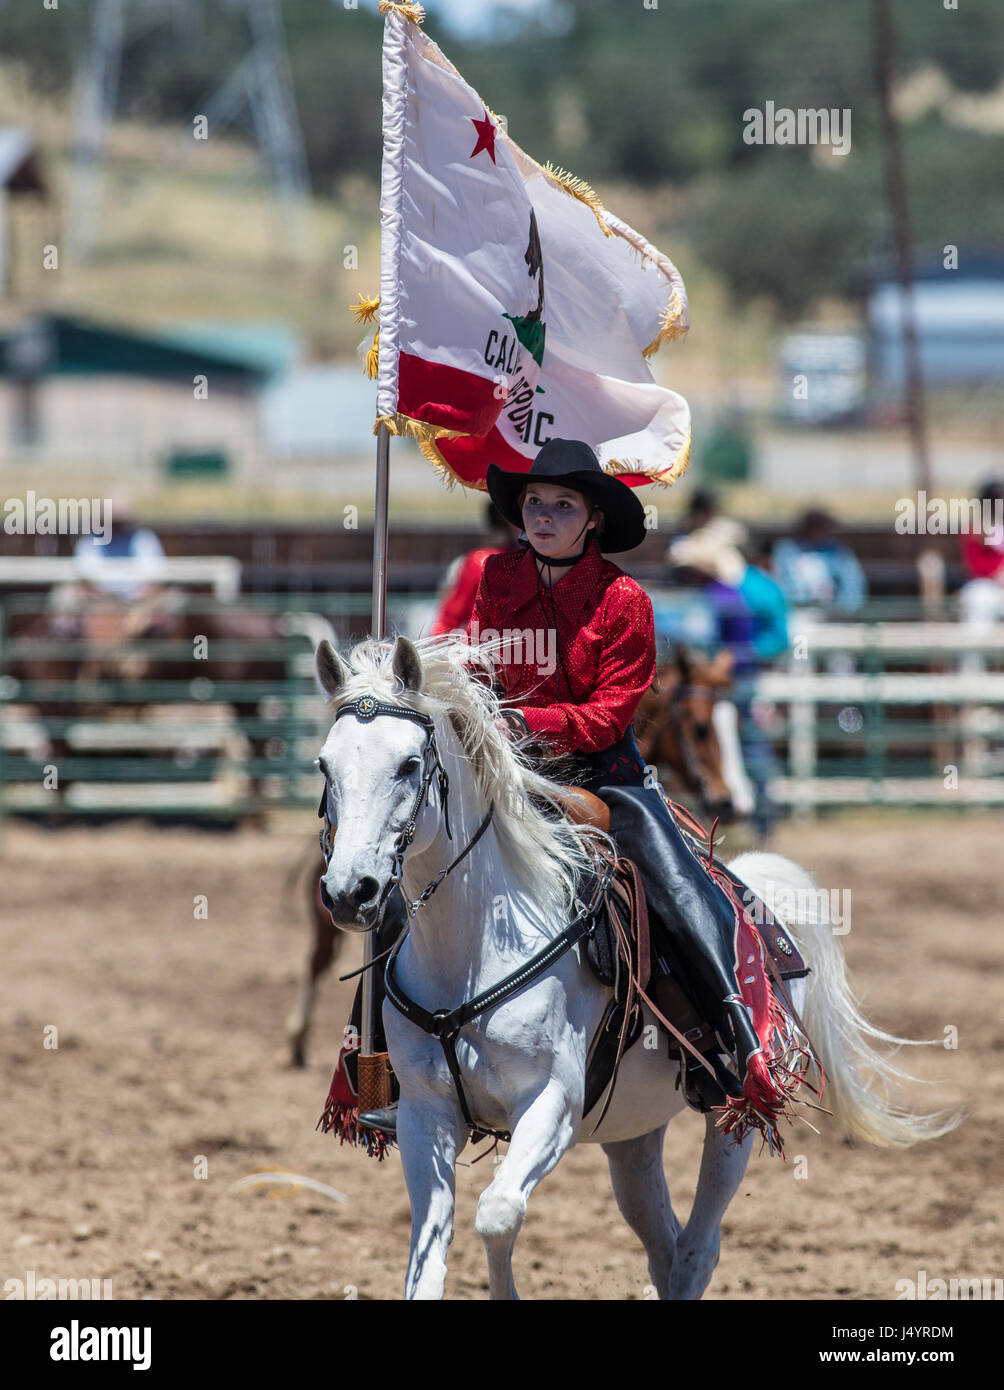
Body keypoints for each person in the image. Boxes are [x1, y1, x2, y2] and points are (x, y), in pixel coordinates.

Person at [349, 439, 801, 1143]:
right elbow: (473, 662)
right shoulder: (498, 578)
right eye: (534, 503)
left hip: (606, 780)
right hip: (507, 774)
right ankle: (374, 1076)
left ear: (593, 518)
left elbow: (609, 717)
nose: (545, 516)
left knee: (682, 889)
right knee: (399, 883)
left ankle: (740, 1047)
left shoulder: (624, 601)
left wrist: (519, 718)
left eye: (562, 505)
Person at [429, 501, 522, 637]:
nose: (538, 517)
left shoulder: (555, 570)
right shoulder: (483, 563)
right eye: (525, 506)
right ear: (502, 515)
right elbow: (447, 624)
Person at [772, 507, 867, 615]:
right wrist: (808, 599)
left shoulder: (838, 552)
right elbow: (784, 584)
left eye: (822, 526)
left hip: (835, 615)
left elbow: (852, 586)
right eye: (814, 525)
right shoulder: (787, 550)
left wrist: (842, 608)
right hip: (799, 613)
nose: (818, 530)